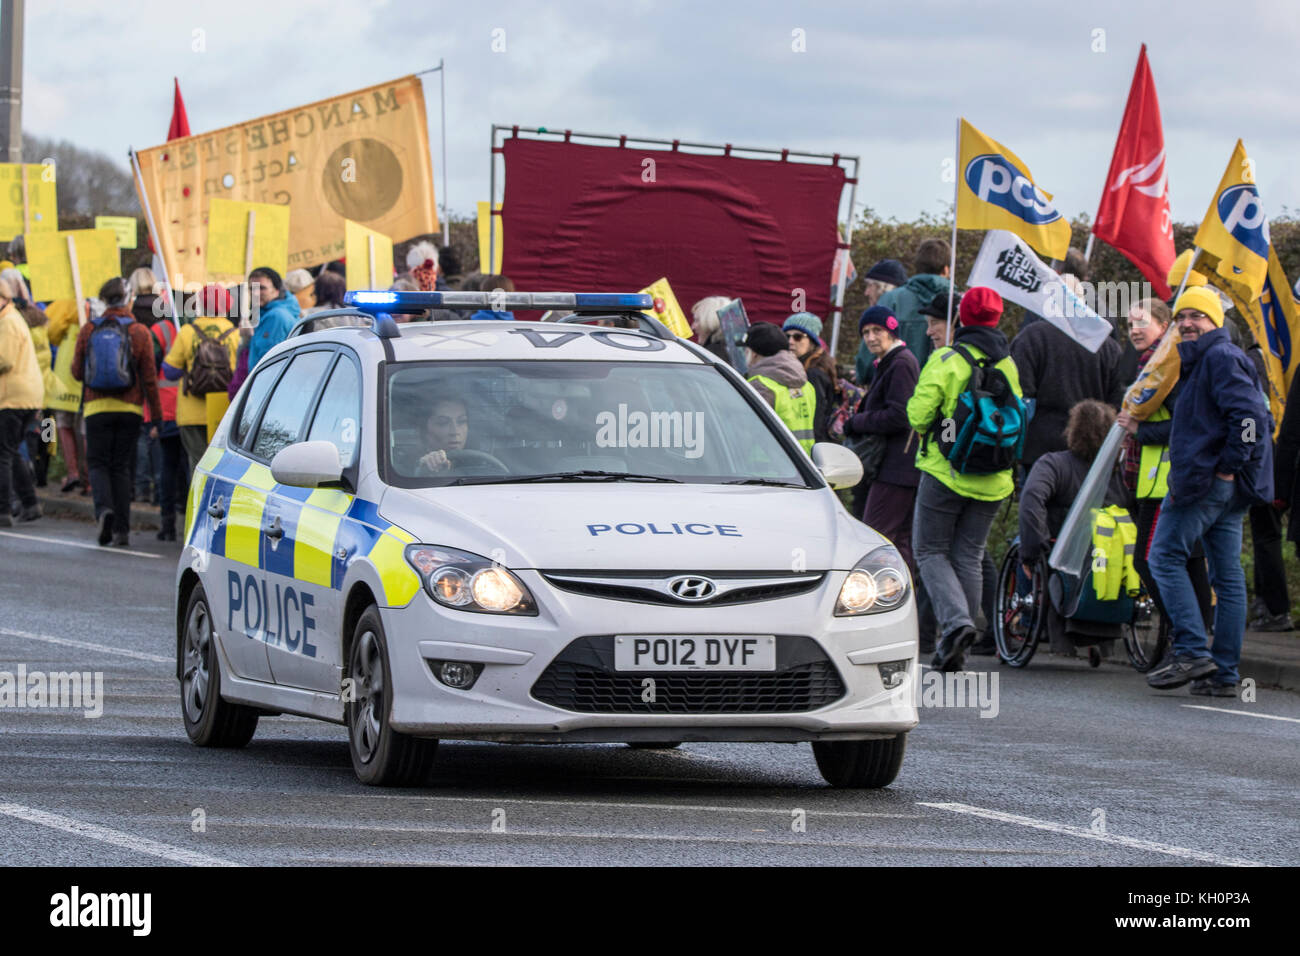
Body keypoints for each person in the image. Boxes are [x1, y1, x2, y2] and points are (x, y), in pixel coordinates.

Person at [1145, 287, 1273, 695]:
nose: (1186, 324)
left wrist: (1228, 467)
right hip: (1223, 488)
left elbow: (1250, 418)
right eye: (1181, 317)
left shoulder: (1219, 357)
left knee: (1163, 557)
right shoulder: (1207, 358)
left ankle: (1190, 651)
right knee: (1228, 576)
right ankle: (1223, 675)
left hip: (1206, 483)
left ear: (1216, 321)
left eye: (1197, 316)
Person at [907, 287, 1022, 671]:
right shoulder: (1008, 364)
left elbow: (919, 416)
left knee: (930, 551)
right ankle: (959, 643)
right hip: (994, 477)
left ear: (961, 319)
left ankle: (955, 626)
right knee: (969, 555)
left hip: (947, 470)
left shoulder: (947, 358)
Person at [1115, 298, 1213, 634]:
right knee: (1186, 559)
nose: (1134, 330)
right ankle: (1192, 634)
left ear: (1163, 325)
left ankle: (1185, 633)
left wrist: (1138, 429)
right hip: (1154, 480)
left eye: (1142, 322)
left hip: (1167, 481)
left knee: (1151, 560)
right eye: (1129, 324)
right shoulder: (1151, 366)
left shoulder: (1167, 366)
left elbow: (1183, 423)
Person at [1019, 399, 1130, 654]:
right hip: (1108, 554)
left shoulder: (1054, 464)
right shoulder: (1120, 473)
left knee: (1021, 542)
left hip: (1061, 549)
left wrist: (1032, 550)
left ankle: (1028, 621)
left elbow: (1032, 499)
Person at [70, 277, 163, 546]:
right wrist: (156, 417)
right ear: (129, 298)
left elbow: (77, 372)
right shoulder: (139, 331)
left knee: (98, 463)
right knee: (121, 467)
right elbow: (149, 380)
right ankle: (122, 530)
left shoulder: (89, 329)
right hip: (130, 409)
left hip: (96, 407)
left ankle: (104, 510)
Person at [1010, 272, 1126, 470]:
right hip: (1091, 446)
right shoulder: (1108, 347)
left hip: (1039, 448)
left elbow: (1020, 394)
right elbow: (1117, 402)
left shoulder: (1031, 338)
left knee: (1037, 499)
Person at [844, 306, 920, 575]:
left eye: (877, 330)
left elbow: (900, 415)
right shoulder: (892, 362)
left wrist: (856, 422)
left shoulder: (900, 363)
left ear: (891, 331)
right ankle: (906, 600)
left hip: (897, 467)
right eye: (865, 332)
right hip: (898, 466)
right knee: (898, 542)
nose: (871, 337)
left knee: (876, 538)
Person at [163, 285, 239, 471]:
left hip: (191, 411)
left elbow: (170, 371)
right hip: (224, 410)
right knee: (222, 466)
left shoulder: (188, 332)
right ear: (228, 306)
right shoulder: (236, 334)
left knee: (198, 465)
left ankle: (197, 499)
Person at [0, 275, 43, 526]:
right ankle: (30, 502)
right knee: (11, 452)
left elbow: (4, 360)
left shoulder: (8, 323)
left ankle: (3, 510)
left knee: (3, 455)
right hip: (25, 395)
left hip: (12, 397)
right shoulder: (12, 320)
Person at [877, 240, 951, 370]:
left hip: (896, 382)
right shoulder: (959, 303)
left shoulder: (890, 299)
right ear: (946, 270)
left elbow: (872, 346)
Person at [743, 322, 815, 452]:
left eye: (746, 350)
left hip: (763, 467)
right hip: (803, 465)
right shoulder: (807, 385)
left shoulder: (759, 386)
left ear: (753, 353)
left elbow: (744, 433)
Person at [783, 312, 836, 443]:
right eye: (786, 336)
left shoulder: (814, 374)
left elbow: (817, 418)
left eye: (797, 337)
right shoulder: (800, 368)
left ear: (812, 342)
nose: (790, 341)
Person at [853, 259, 908, 384]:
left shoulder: (882, 312)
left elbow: (865, 366)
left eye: (869, 286)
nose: (866, 293)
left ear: (882, 287)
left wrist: (860, 373)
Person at [246, 267, 300, 369]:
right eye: (252, 288)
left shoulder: (276, 317)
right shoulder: (264, 313)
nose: (255, 293)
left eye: (262, 288)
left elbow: (268, 363)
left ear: (276, 291)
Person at [416, 396, 470, 474]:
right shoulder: (402, 469)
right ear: (425, 431)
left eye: (462, 421)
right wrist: (423, 470)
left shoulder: (483, 463)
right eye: (443, 422)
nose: (455, 431)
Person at [690, 296, 734, 363]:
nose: (692, 327)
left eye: (697, 320)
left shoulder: (712, 356)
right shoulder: (738, 352)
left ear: (710, 322)